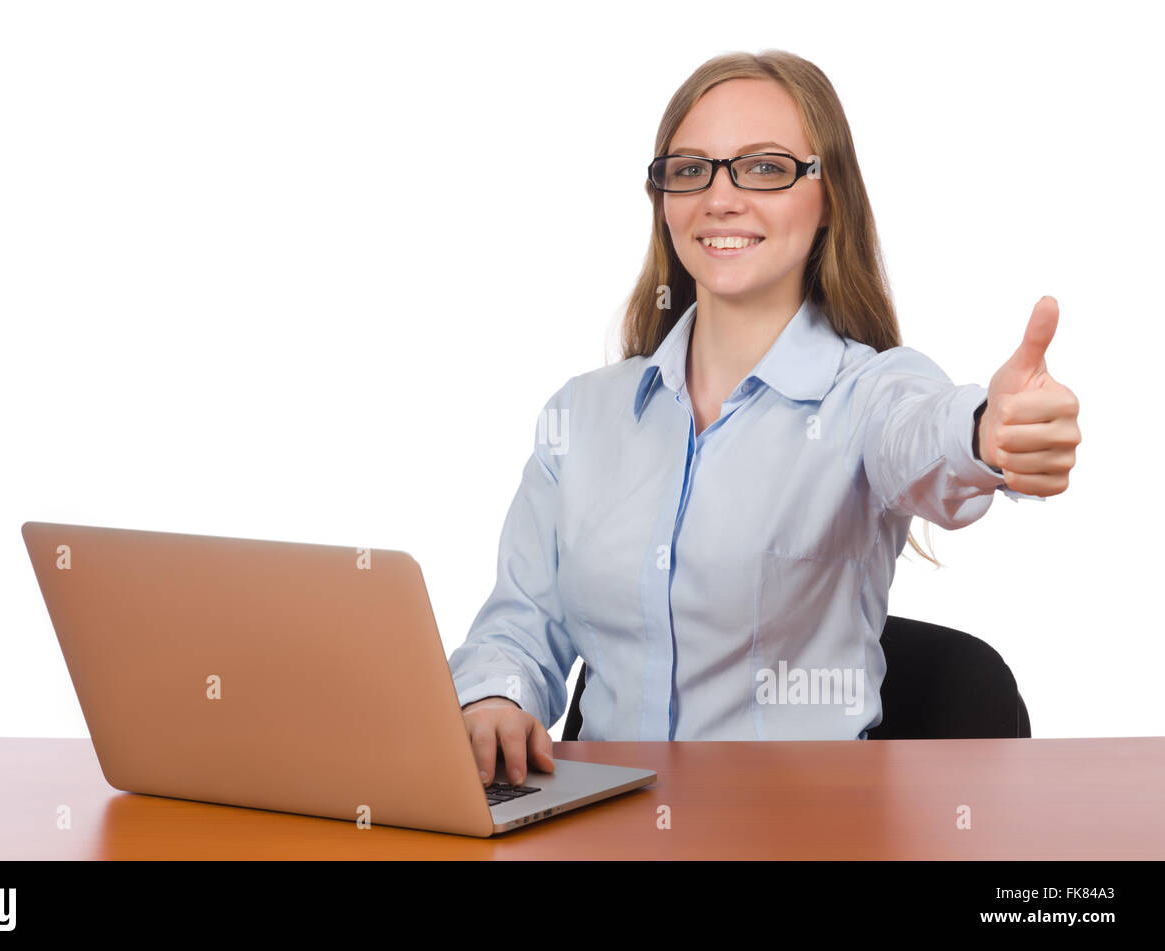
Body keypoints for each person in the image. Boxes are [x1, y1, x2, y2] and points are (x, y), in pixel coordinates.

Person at [448, 50, 1081, 787]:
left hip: (797, 830)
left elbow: (927, 434)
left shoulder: (867, 395)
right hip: (602, 829)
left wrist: (987, 433)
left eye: (765, 167)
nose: (720, 197)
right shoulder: (581, 416)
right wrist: (495, 694)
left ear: (828, 195)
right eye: (691, 169)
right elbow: (521, 622)